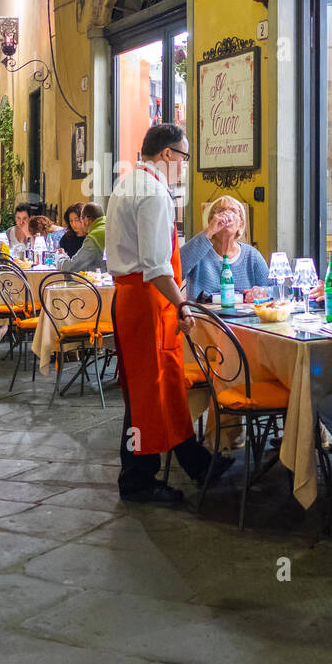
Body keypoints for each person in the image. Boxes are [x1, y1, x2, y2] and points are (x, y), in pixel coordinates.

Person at [107, 123, 233, 503]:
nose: (184, 164)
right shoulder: (154, 194)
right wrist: (180, 302)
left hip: (132, 299)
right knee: (151, 389)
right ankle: (137, 479)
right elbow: (156, 265)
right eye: (184, 156)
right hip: (147, 301)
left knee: (151, 388)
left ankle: (194, 461)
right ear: (167, 154)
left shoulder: (126, 184)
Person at [180, 196, 271, 304]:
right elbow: (174, 270)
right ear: (210, 220)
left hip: (242, 319)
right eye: (221, 211)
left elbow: (273, 291)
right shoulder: (199, 250)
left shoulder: (252, 256)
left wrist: (261, 293)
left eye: (233, 211)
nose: (226, 215)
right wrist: (209, 231)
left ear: (241, 224)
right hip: (203, 318)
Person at [58, 202, 106, 274]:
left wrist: (60, 257)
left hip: (108, 282)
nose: (74, 224)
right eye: (71, 221)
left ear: (86, 219)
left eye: (79, 219)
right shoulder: (112, 227)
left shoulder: (94, 237)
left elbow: (70, 268)